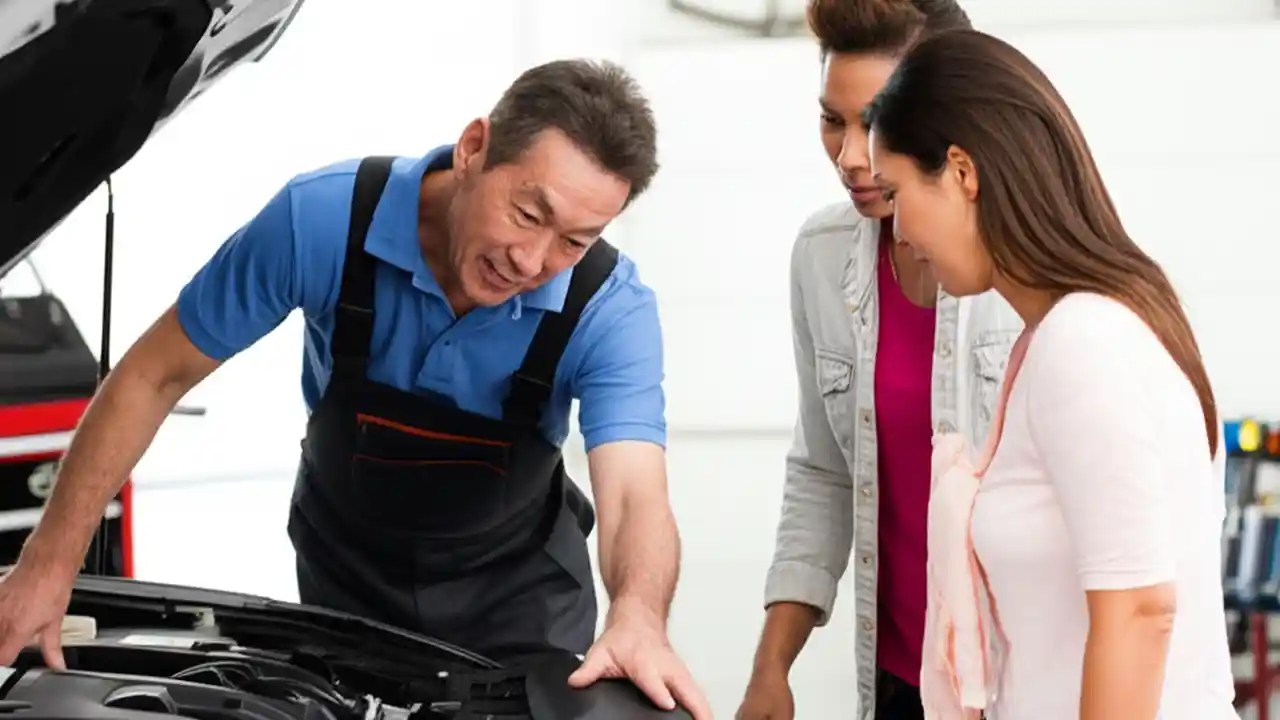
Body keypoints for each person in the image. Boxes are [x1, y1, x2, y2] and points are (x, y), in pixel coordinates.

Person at [0, 58, 711, 719]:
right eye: (527, 214)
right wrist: (47, 565)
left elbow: (633, 494)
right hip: (346, 583)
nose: (532, 260)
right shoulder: (323, 222)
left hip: (519, 605)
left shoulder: (608, 308)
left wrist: (639, 618)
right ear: (473, 149)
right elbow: (153, 375)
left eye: (574, 242)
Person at [863, 28, 1238, 719]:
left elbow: (1139, 610)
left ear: (962, 172)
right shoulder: (1061, 338)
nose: (902, 234)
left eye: (896, 194)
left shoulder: (1083, 340)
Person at [736, 2, 1021, 719]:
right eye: (833, 120)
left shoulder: (1030, 272)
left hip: (1022, 686)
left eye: (875, 122)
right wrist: (772, 667)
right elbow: (823, 470)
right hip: (900, 681)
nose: (850, 157)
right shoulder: (821, 255)